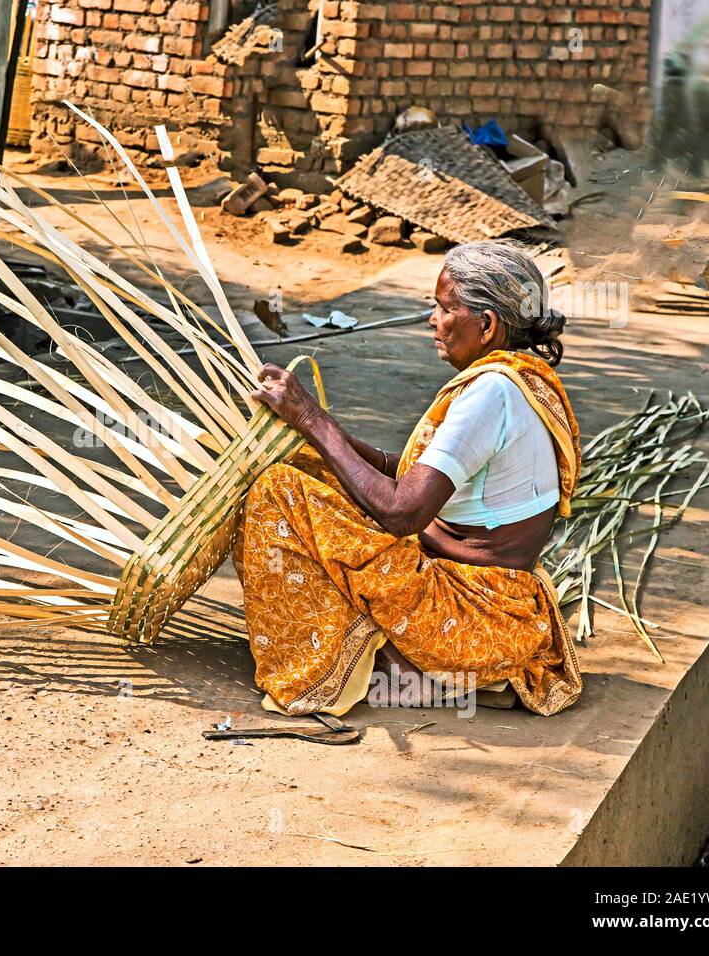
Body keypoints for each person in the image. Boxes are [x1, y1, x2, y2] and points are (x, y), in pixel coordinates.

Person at [236, 240, 583, 717]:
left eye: (445, 309)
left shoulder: (493, 394)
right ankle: (406, 661)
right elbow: (410, 472)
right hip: (498, 605)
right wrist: (313, 432)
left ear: (486, 325)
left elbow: (403, 512)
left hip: (471, 609)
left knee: (279, 491)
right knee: (311, 468)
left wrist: (311, 418)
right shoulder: (518, 380)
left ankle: (372, 665)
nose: (432, 321)